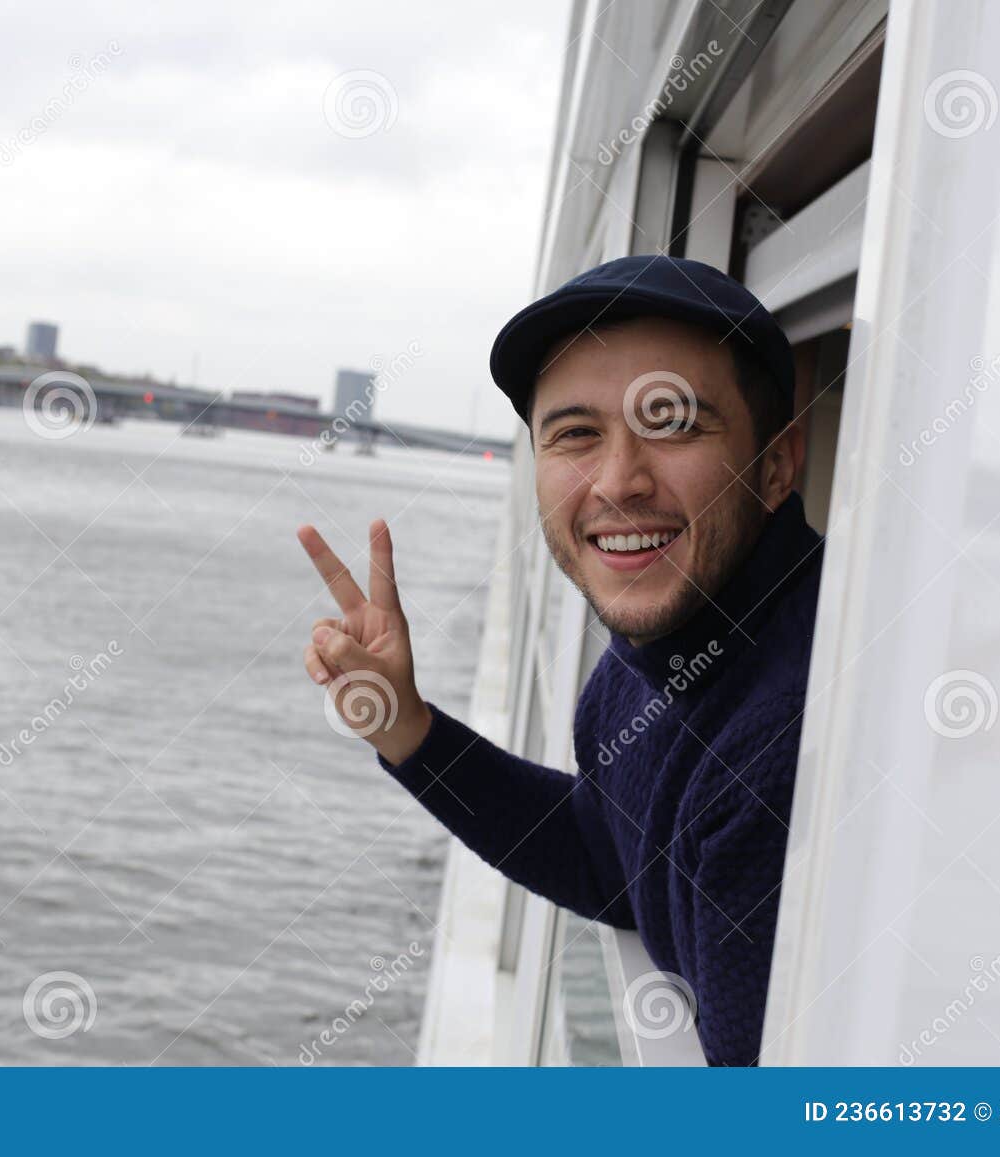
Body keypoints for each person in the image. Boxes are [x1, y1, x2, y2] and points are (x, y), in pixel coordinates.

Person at [296, 255, 824, 1066]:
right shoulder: (654, 662)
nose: (619, 481)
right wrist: (408, 729)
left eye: (676, 422)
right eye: (576, 434)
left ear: (777, 466)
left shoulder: (785, 746)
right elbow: (610, 857)